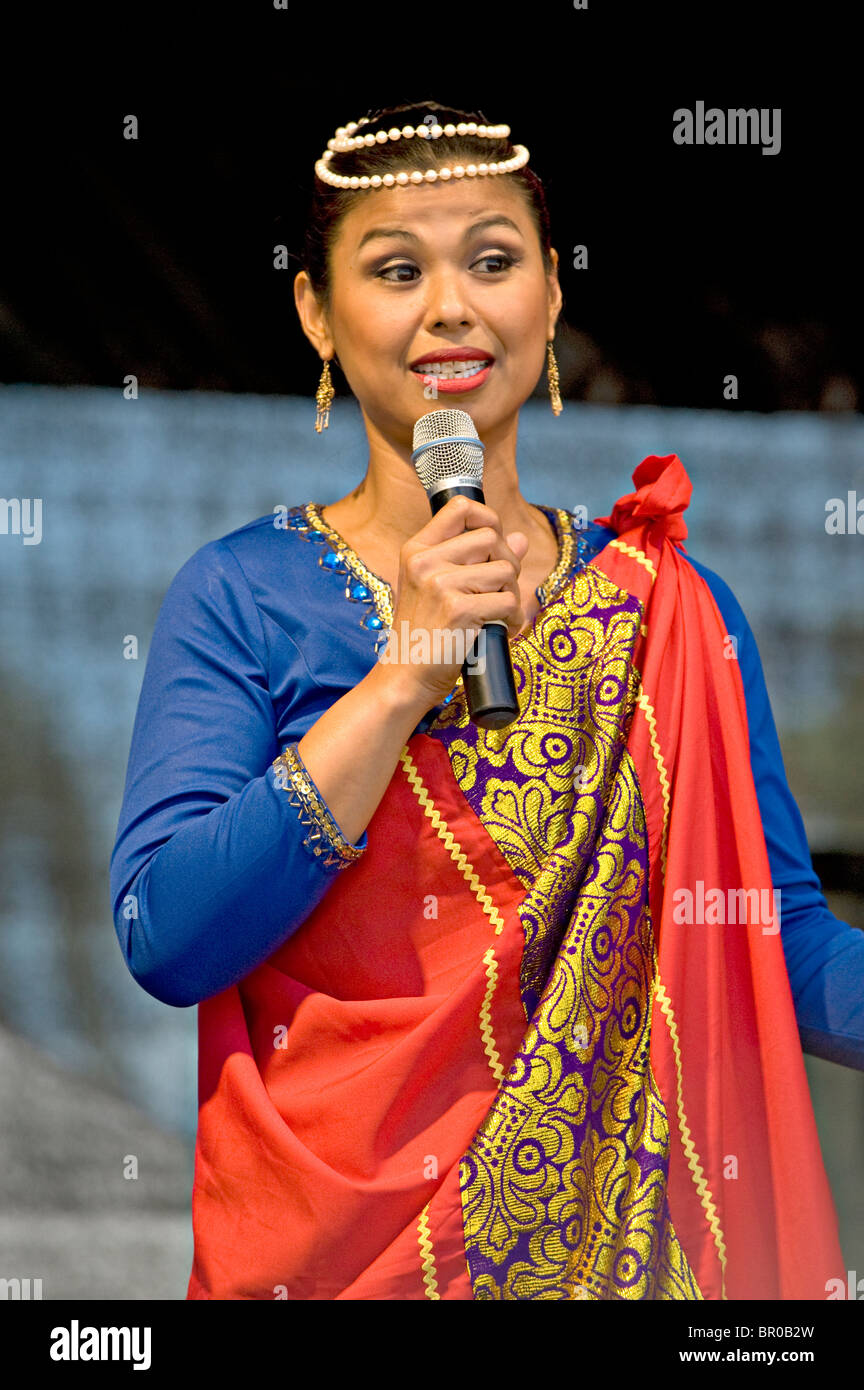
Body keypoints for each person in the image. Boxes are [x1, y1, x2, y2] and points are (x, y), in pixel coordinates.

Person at [109, 100, 864, 1301]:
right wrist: (405, 674)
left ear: (552, 299)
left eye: (493, 261)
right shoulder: (243, 594)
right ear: (315, 311)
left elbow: (775, 933)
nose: (451, 306)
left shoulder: (671, 605)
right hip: (339, 1264)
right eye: (396, 268)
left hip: (621, 1266)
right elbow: (167, 932)